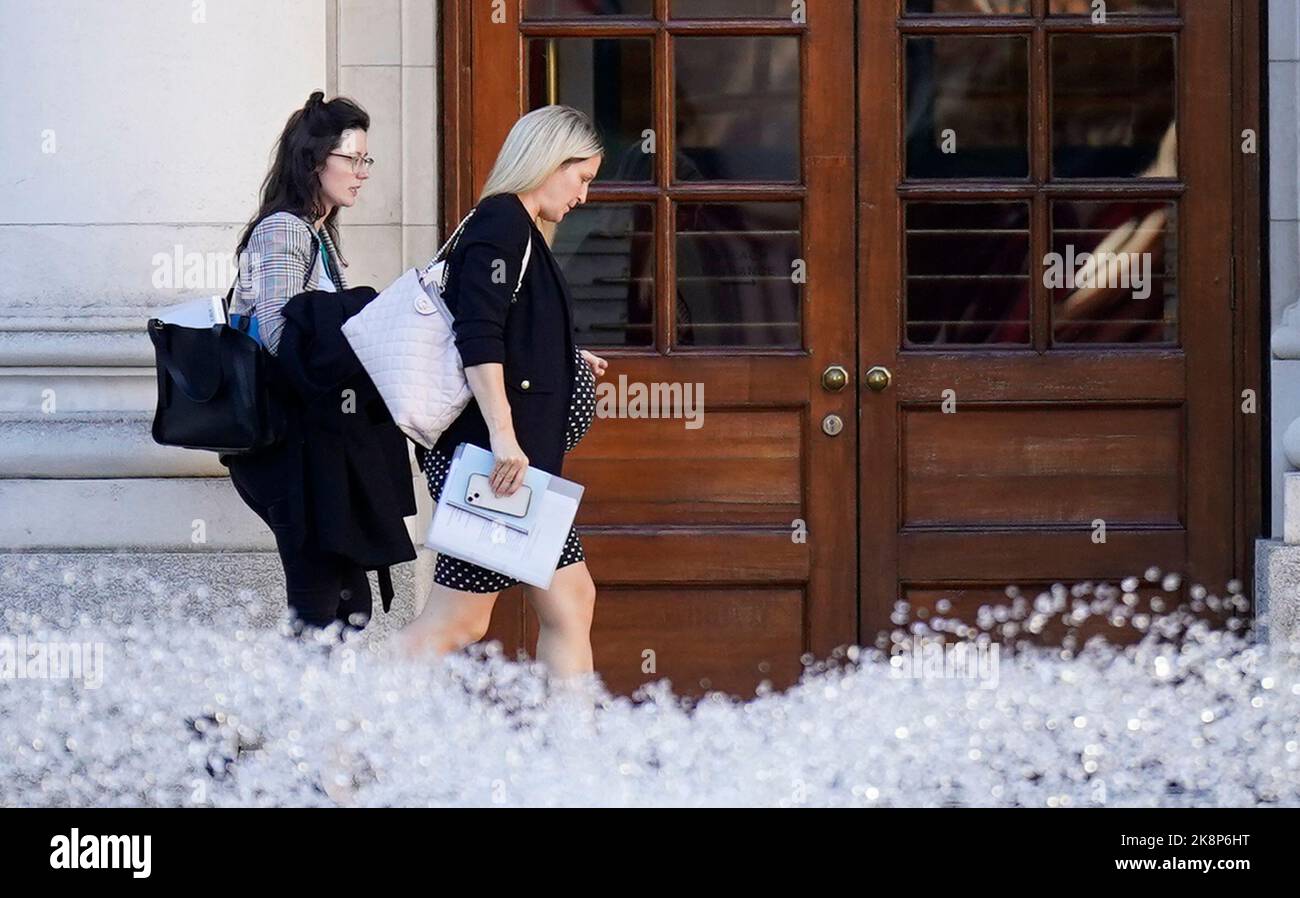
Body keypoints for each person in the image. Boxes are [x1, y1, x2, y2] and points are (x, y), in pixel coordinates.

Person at [395, 105, 609, 679]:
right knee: (459, 622)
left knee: (572, 602)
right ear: (547, 161)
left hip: (515, 470)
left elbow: (508, 331)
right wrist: (505, 439)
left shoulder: (517, 229)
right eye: (582, 177)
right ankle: (330, 730)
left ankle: (571, 760)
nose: (583, 196)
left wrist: (562, 359)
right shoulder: (502, 222)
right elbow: (478, 334)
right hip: (495, 468)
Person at [224, 91, 416, 635]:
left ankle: (302, 713)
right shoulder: (284, 229)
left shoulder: (317, 232)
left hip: (314, 447)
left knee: (344, 601)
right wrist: (362, 309)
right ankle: (273, 716)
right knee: (318, 600)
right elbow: (283, 336)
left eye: (366, 160)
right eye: (352, 159)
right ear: (314, 161)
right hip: (287, 449)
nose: (362, 173)